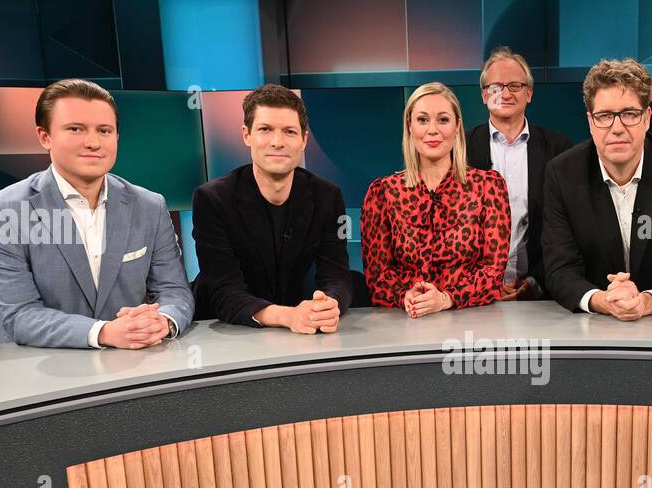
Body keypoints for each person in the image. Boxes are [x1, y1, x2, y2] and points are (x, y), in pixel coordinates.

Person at [0, 78, 193, 348]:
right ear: (45, 137)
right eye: (76, 129)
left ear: (117, 137)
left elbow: (174, 291)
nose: (93, 142)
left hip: (134, 364)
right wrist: (103, 332)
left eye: (104, 131)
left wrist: (162, 320)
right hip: (37, 371)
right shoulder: (5, 210)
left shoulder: (149, 205)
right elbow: (19, 314)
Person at [541, 58, 652, 318]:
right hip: (590, 328)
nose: (617, 128)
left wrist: (646, 302)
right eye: (605, 116)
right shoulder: (562, 174)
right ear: (590, 121)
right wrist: (602, 300)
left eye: (629, 114)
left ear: (647, 118)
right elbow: (560, 270)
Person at [191, 84, 353, 334]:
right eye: (265, 130)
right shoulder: (213, 200)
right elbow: (223, 290)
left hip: (297, 328)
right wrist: (287, 316)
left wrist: (329, 304)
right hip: (226, 330)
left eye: (289, 131)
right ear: (247, 135)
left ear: (304, 139)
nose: (277, 142)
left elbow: (337, 276)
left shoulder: (327, 196)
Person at [360, 82, 511, 317]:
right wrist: (404, 296)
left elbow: (493, 272)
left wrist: (445, 299)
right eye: (422, 120)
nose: (432, 130)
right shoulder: (383, 193)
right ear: (409, 126)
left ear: (457, 126)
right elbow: (377, 276)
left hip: (471, 324)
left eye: (443, 120)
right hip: (406, 323)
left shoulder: (488, 188)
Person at [465, 47, 572, 301]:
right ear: (483, 95)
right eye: (495, 86)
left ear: (529, 93)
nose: (505, 93)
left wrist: (536, 282)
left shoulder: (559, 149)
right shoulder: (459, 148)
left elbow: (567, 231)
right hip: (471, 296)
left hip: (540, 294)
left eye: (515, 85)